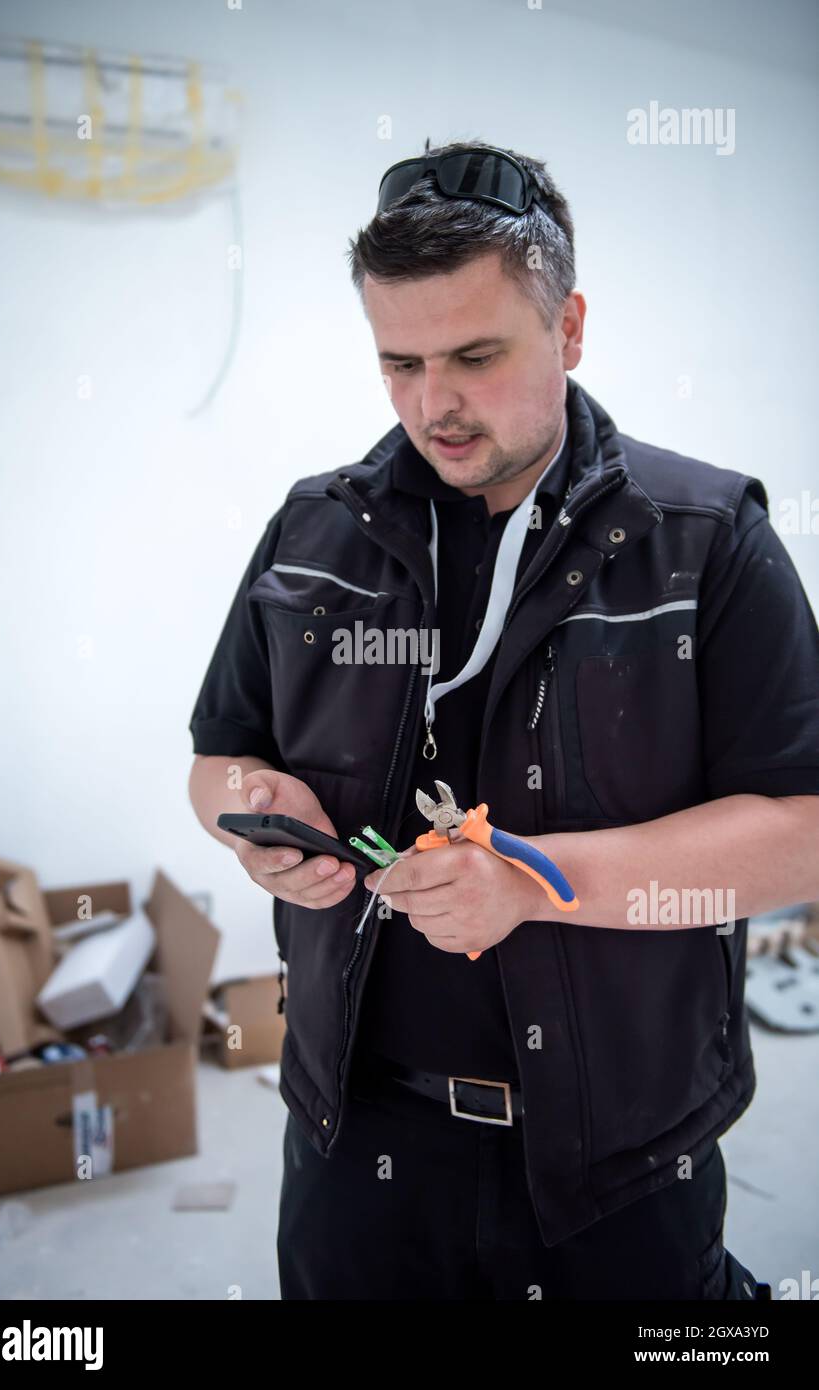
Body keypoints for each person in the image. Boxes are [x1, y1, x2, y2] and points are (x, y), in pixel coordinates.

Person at [187, 141, 819, 1300]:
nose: (436, 403)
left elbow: (804, 831)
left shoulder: (708, 539)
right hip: (350, 1147)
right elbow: (220, 756)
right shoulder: (311, 533)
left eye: (477, 356)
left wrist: (536, 879)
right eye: (399, 363)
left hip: (619, 1163)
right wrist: (251, 815)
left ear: (570, 329)